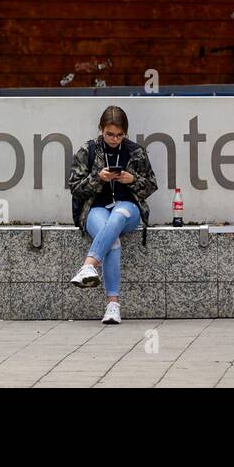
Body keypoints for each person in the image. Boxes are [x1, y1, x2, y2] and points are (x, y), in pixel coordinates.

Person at [66, 105, 158, 324]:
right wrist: (99, 178)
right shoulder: (87, 151)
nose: (114, 139)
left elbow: (152, 185)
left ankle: (89, 265)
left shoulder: (135, 151)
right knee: (113, 241)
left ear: (125, 133)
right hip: (95, 209)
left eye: (119, 135)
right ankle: (113, 306)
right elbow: (75, 188)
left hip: (128, 209)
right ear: (101, 129)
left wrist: (132, 180)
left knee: (118, 216)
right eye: (109, 134)